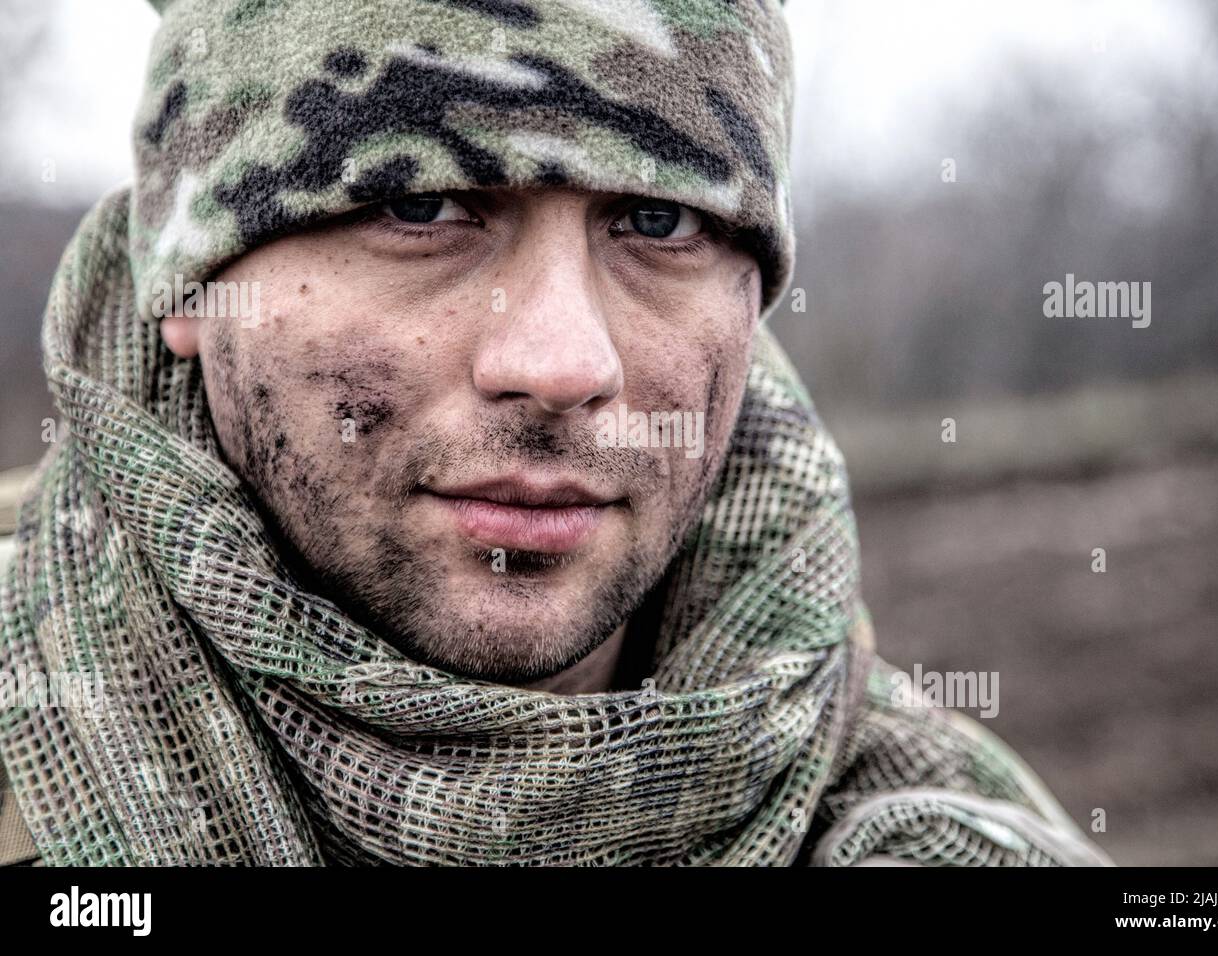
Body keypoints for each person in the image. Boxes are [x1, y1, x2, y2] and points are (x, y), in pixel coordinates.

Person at [0, 0, 1111, 866]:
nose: (562, 364)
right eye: (421, 207)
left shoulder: (933, 827)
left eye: (657, 220)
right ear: (191, 286)